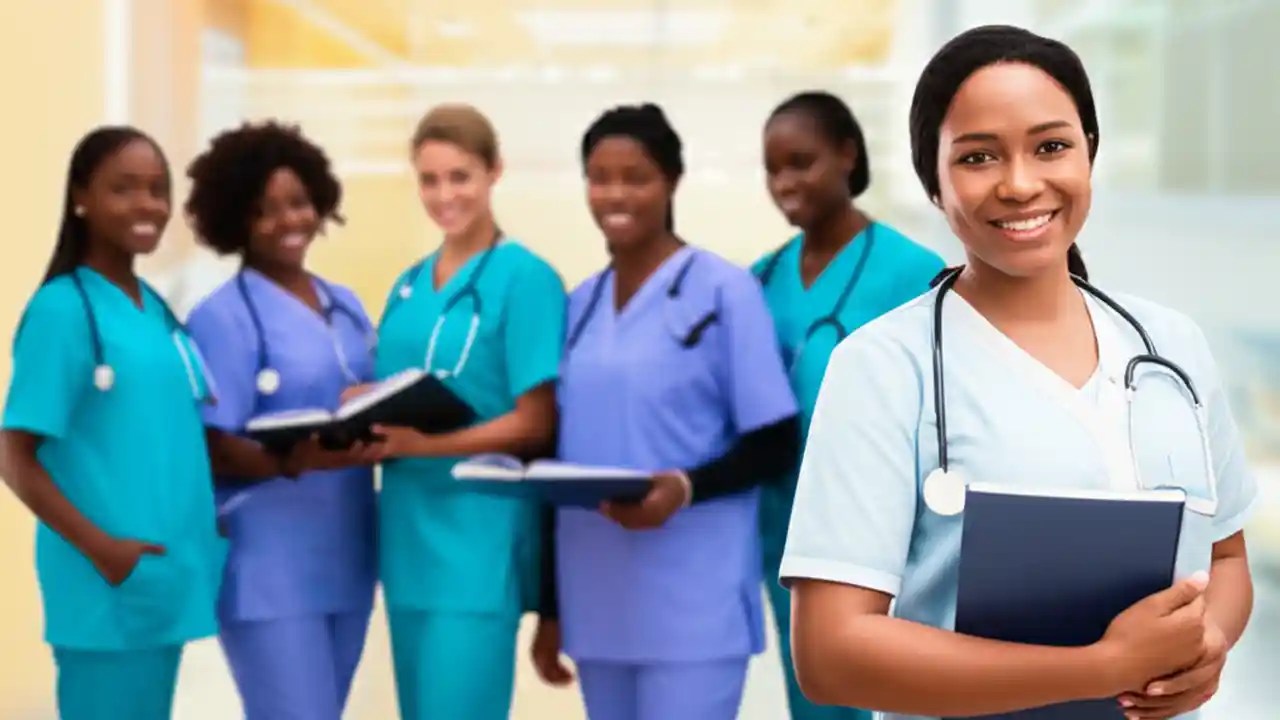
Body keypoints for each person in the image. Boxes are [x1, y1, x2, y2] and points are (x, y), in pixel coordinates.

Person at [779, 25, 1258, 720]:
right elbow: (830, 654)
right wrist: (1100, 668)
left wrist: (1205, 642)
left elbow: (1227, 563)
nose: (1020, 183)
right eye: (978, 157)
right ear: (934, 184)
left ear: (1091, 153)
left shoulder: (1171, 346)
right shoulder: (883, 368)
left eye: (1052, 146)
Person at [531, 102, 801, 720]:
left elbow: (774, 440)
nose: (614, 194)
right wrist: (550, 608)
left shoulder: (724, 292)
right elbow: (560, 464)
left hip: (691, 603)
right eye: (600, 177)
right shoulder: (578, 308)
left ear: (672, 182)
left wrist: (684, 487)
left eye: (636, 176)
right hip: (597, 599)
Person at [0, 126, 225, 720]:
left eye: (157, 189)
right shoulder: (62, 309)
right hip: (107, 585)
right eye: (123, 189)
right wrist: (102, 549)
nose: (147, 205)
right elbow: (13, 455)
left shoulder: (152, 308)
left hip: (159, 581)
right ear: (82, 198)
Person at [354, 103, 567, 720]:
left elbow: (536, 421)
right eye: (429, 179)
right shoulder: (408, 285)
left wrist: (420, 447)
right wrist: (363, 402)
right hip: (406, 539)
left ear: (494, 172)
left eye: (460, 176)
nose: (444, 195)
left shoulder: (526, 280)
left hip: (476, 542)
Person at [754, 90, 945, 720]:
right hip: (786, 525)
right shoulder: (757, 278)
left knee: (883, 694)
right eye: (774, 168)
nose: (785, 183)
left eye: (801, 162)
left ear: (847, 155)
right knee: (812, 695)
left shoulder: (915, 272)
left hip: (883, 527)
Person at [181, 120, 381, 720]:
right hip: (268, 566)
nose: (288, 221)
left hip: (347, 553)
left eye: (297, 203)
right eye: (264, 210)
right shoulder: (222, 317)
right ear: (234, 220)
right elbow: (212, 443)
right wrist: (291, 461)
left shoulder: (345, 305)